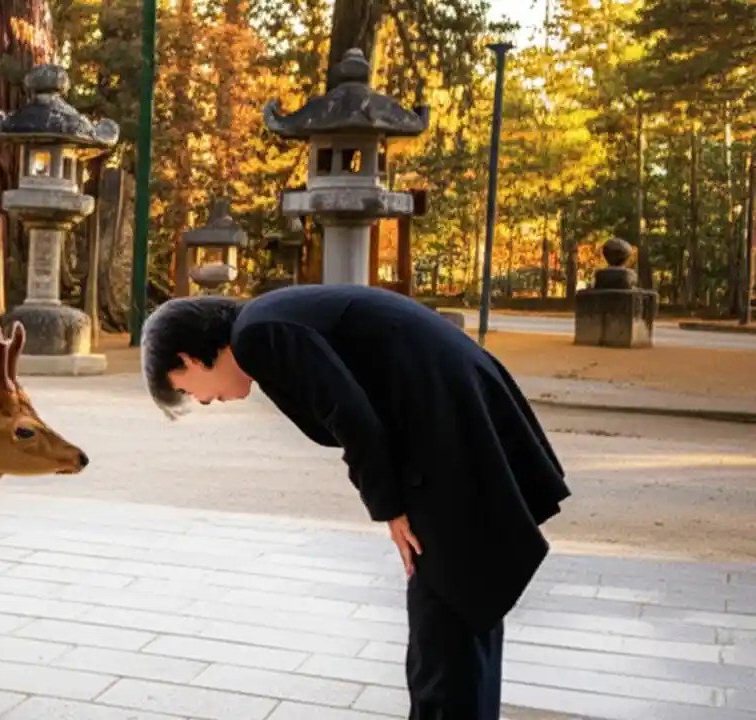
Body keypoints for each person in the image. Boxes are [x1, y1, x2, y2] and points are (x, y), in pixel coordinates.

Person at [140, 284, 570, 719]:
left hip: (446, 427)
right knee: (461, 606)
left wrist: (391, 510)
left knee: (447, 616)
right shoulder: (266, 321)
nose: (207, 400)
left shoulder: (258, 335)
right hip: (449, 419)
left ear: (190, 360)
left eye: (191, 391)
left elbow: (351, 417)